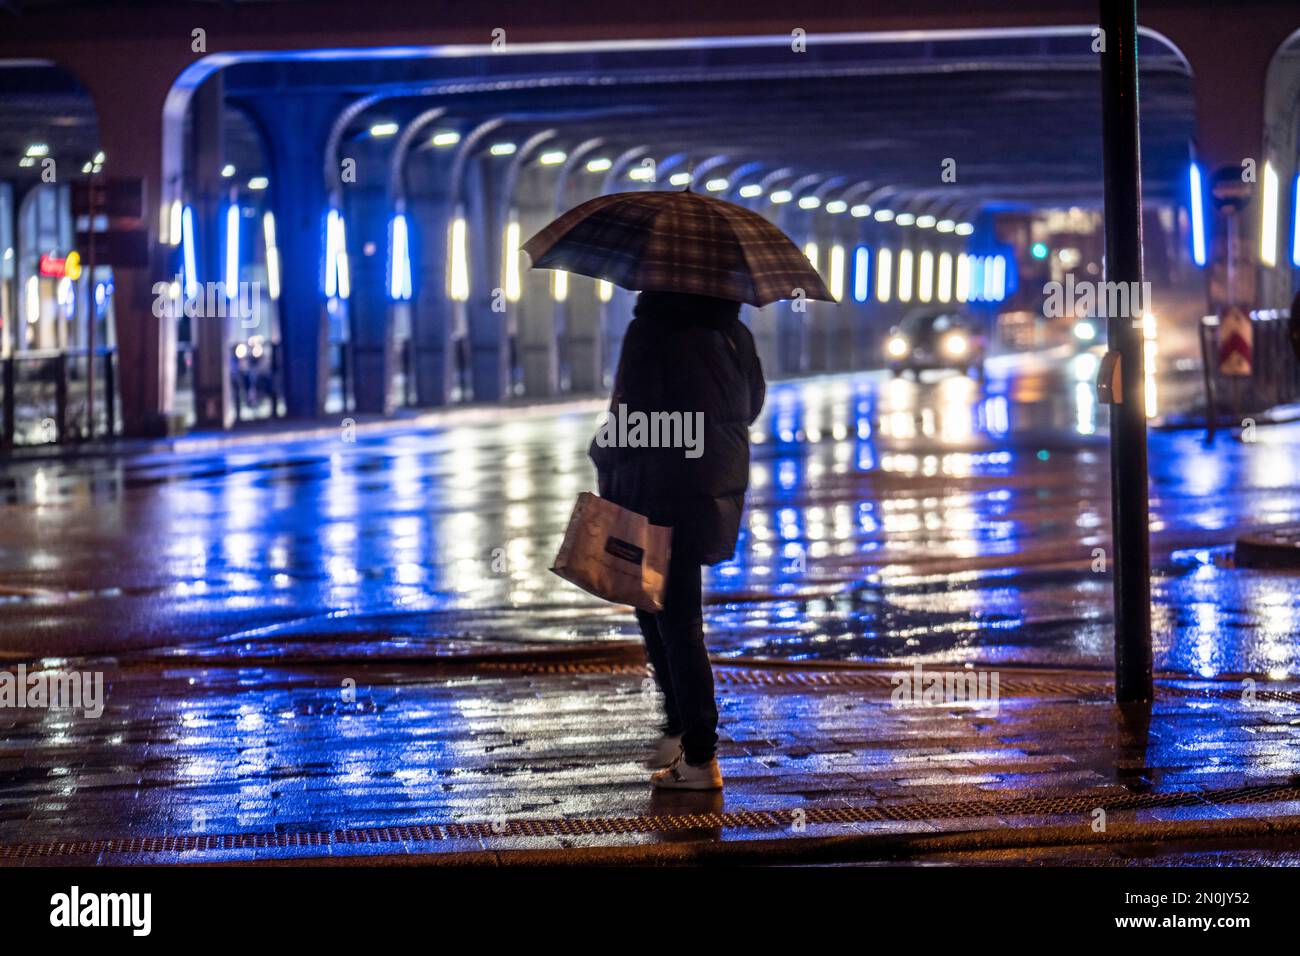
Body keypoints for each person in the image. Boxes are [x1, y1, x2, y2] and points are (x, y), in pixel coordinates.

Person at [589, 290, 766, 790]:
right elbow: (749, 406)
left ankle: (698, 751)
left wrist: (600, 449)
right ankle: (682, 728)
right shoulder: (735, 333)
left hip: (658, 490)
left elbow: (630, 419)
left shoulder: (651, 331)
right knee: (665, 608)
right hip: (711, 487)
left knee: (671, 616)